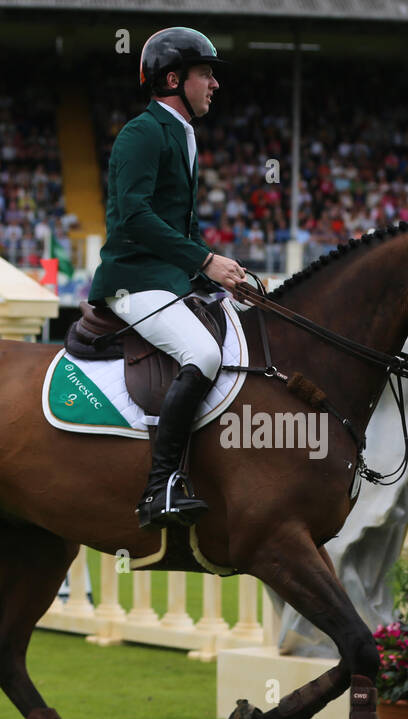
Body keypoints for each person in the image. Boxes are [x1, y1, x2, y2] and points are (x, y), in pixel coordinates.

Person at [89, 26, 246, 529]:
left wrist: (221, 271)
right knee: (201, 354)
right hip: (130, 281)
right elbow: (133, 216)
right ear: (173, 79)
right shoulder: (142, 133)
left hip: (168, 278)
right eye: (206, 74)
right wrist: (204, 263)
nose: (214, 85)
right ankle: (160, 488)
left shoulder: (183, 135)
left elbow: (183, 224)